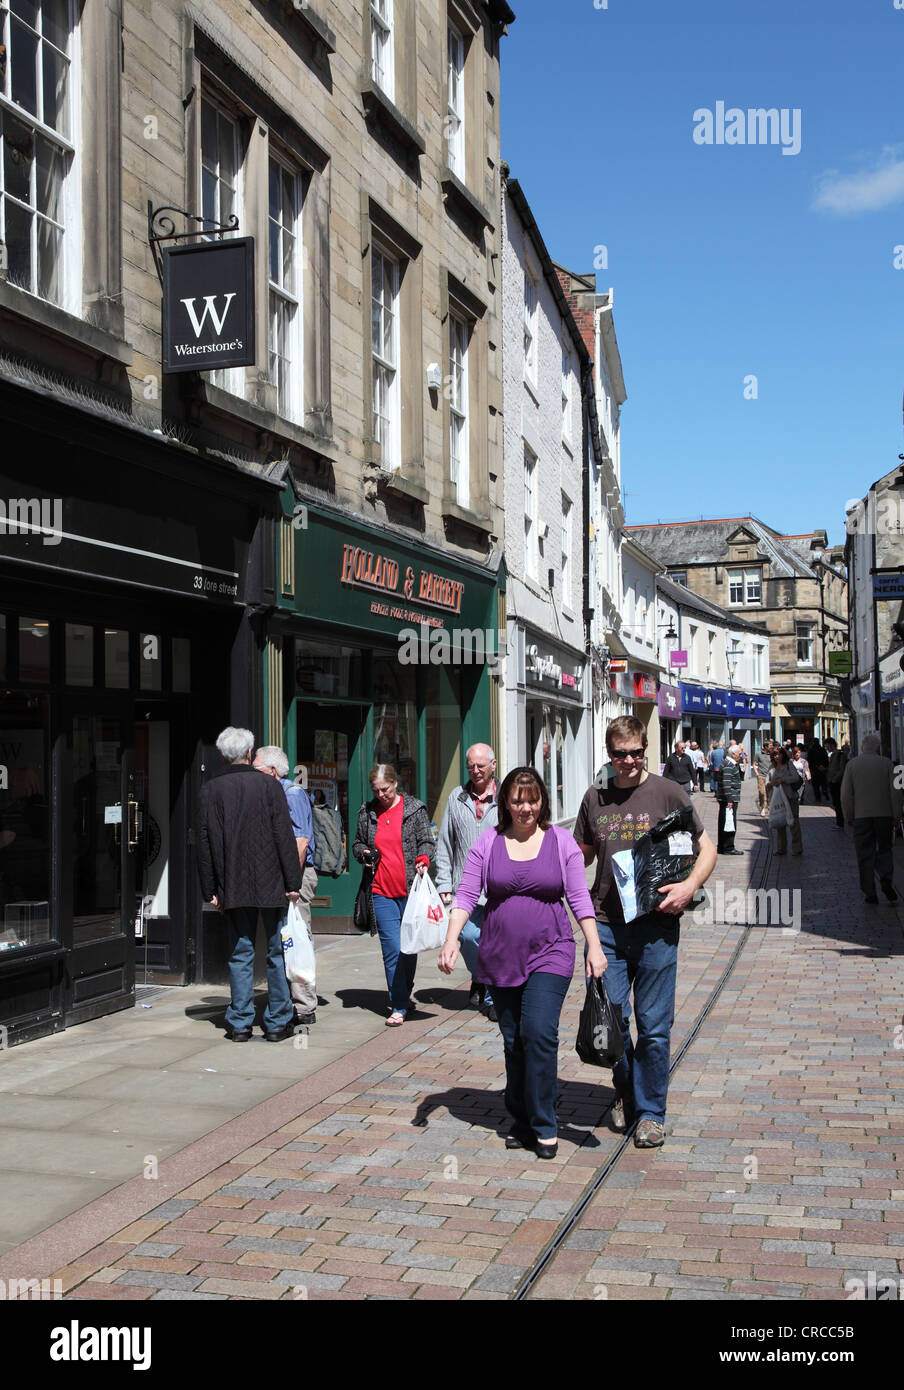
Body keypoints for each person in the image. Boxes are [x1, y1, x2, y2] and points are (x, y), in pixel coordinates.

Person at [438, 767, 605, 1157]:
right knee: (514, 1040)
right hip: (499, 955)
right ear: (505, 803)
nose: (525, 807)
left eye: (532, 799)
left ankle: (545, 1124)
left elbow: (579, 898)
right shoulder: (489, 843)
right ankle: (521, 1116)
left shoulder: (562, 842)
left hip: (552, 951)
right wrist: (450, 939)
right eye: (517, 800)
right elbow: (465, 894)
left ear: (542, 801)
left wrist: (594, 946)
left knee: (539, 1034)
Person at [573, 715, 717, 1149]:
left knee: (654, 1027)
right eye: (620, 754)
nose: (629, 761)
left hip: (656, 926)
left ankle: (651, 1111)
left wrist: (691, 886)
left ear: (646, 749)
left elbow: (705, 848)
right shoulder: (594, 798)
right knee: (612, 1020)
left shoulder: (668, 792)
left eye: (637, 752)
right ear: (609, 753)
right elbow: (576, 857)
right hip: (608, 927)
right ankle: (627, 1089)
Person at [198, 727, 302, 1042]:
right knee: (276, 952)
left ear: (222, 755)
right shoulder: (270, 787)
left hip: (233, 882)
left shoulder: (210, 790)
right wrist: (293, 881)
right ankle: (277, 1021)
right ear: (248, 754)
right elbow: (284, 836)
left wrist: (210, 888)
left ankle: (241, 1023)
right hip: (271, 881)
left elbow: (205, 843)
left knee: (240, 952)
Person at [352, 764, 434, 1025]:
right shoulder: (367, 812)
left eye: (385, 789)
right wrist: (363, 853)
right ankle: (398, 1005)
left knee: (409, 949)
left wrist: (424, 858)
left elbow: (427, 841)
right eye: (376, 791)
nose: (381, 795)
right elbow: (357, 843)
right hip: (380, 891)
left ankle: (403, 991)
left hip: (410, 891)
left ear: (395, 784)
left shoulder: (414, 809)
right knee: (392, 949)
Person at [253, 746, 318, 1026]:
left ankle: (304, 1006)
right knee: (286, 939)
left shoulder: (291, 794)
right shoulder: (274, 794)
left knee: (298, 938)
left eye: (255, 769)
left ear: (272, 771)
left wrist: (292, 880)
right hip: (286, 876)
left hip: (297, 876)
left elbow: (300, 842)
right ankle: (291, 1000)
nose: (252, 774)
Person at [435, 742, 499, 1021]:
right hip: (465, 886)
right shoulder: (456, 797)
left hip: (499, 886)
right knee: (469, 936)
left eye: (480, 766)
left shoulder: (505, 797)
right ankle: (482, 978)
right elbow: (445, 843)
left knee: (496, 941)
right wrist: (444, 885)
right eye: (470, 766)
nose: (475, 771)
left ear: (493, 766)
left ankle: (491, 995)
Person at [840, 733, 903, 904]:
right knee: (885, 849)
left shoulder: (852, 765)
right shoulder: (888, 764)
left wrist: (848, 814)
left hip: (861, 816)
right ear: (878, 748)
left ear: (862, 747)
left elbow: (846, 794)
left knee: (864, 853)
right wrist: (897, 815)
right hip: (884, 815)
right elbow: (896, 793)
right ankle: (886, 878)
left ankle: (870, 892)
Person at [768, 747, 803, 856]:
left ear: (783, 755)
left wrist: (782, 780)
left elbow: (796, 778)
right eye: (775, 755)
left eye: (779, 754)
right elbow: (768, 781)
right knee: (780, 822)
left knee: (793, 822)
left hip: (790, 797)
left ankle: (797, 848)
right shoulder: (772, 767)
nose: (777, 756)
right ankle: (781, 848)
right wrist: (771, 784)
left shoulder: (788, 765)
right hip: (777, 798)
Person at [716, 743, 743, 854]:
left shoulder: (729, 763)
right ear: (733, 754)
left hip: (727, 798)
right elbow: (726, 783)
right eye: (739, 754)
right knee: (729, 822)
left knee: (724, 821)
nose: (741, 756)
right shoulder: (728, 764)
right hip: (728, 798)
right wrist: (729, 799)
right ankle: (728, 847)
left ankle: (722, 846)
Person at [825, 738, 847, 829]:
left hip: (837, 783)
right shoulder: (833, 755)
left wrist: (834, 779)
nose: (826, 748)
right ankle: (839, 822)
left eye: (827, 746)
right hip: (832, 782)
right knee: (836, 802)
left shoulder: (840, 755)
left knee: (838, 803)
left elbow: (841, 769)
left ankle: (840, 822)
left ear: (832, 745)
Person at [754, 741, 774, 818]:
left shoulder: (772, 754)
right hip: (761, 776)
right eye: (770, 745)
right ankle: (762, 808)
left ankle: (768, 807)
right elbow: (754, 764)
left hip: (769, 776)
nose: (771, 747)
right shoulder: (758, 754)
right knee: (761, 792)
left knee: (769, 793)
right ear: (765, 746)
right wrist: (757, 774)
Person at [807, 739, 829, 803]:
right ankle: (825, 793)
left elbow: (810, 760)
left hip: (814, 770)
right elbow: (826, 759)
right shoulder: (822, 749)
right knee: (823, 783)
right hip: (822, 769)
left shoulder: (811, 750)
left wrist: (814, 767)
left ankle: (818, 798)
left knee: (816, 785)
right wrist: (824, 766)